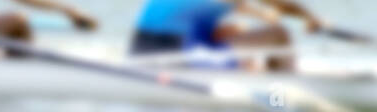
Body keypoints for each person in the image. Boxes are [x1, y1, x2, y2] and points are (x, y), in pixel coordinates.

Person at [128, 0, 325, 71]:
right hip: (174, 54)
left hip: (142, 49)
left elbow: (242, 6)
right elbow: (281, 5)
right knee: (279, 34)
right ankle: (283, 88)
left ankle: (255, 71)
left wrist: (264, 16)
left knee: (237, 29)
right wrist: (311, 18)